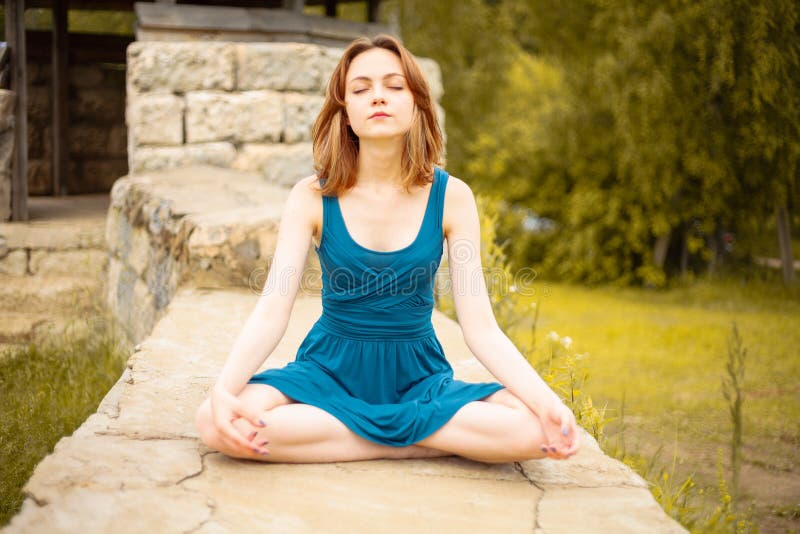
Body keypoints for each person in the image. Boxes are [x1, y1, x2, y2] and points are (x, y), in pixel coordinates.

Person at [194, 34, 580, 464]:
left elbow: (481, 328)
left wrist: (548, 402)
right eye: (361, 89)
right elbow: (272, 310)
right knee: (213, 421)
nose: (378, 97)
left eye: (394, 86)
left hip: (417, 377)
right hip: (328, 371)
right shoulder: (311, 196)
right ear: (344, 111)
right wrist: (223, 390)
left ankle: (365, 436)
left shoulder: (452, 197)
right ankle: (420, 440)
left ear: (416, 103)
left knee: (533, 431)